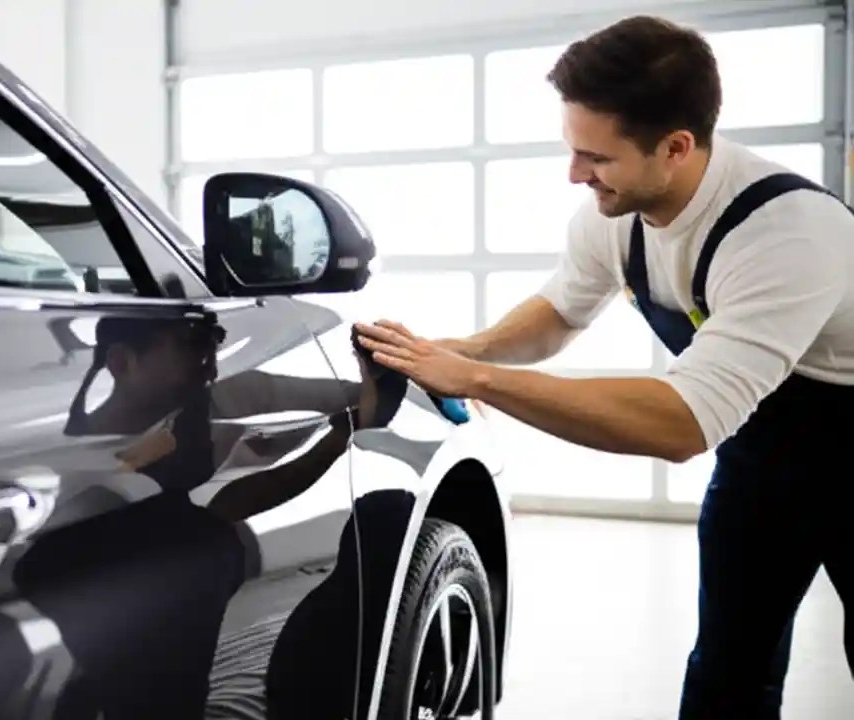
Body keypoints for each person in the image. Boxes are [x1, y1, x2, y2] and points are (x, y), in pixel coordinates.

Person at [355, 14, 853, 720]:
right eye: (572, 149)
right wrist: (461, 351)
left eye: (596, 157)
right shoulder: (613, 213)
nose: (574, 173)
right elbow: (560, 312)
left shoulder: (788, 232)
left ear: (676, 147)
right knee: (728, 666)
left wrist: (479, 381)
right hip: (763, 459)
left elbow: (682, 424)